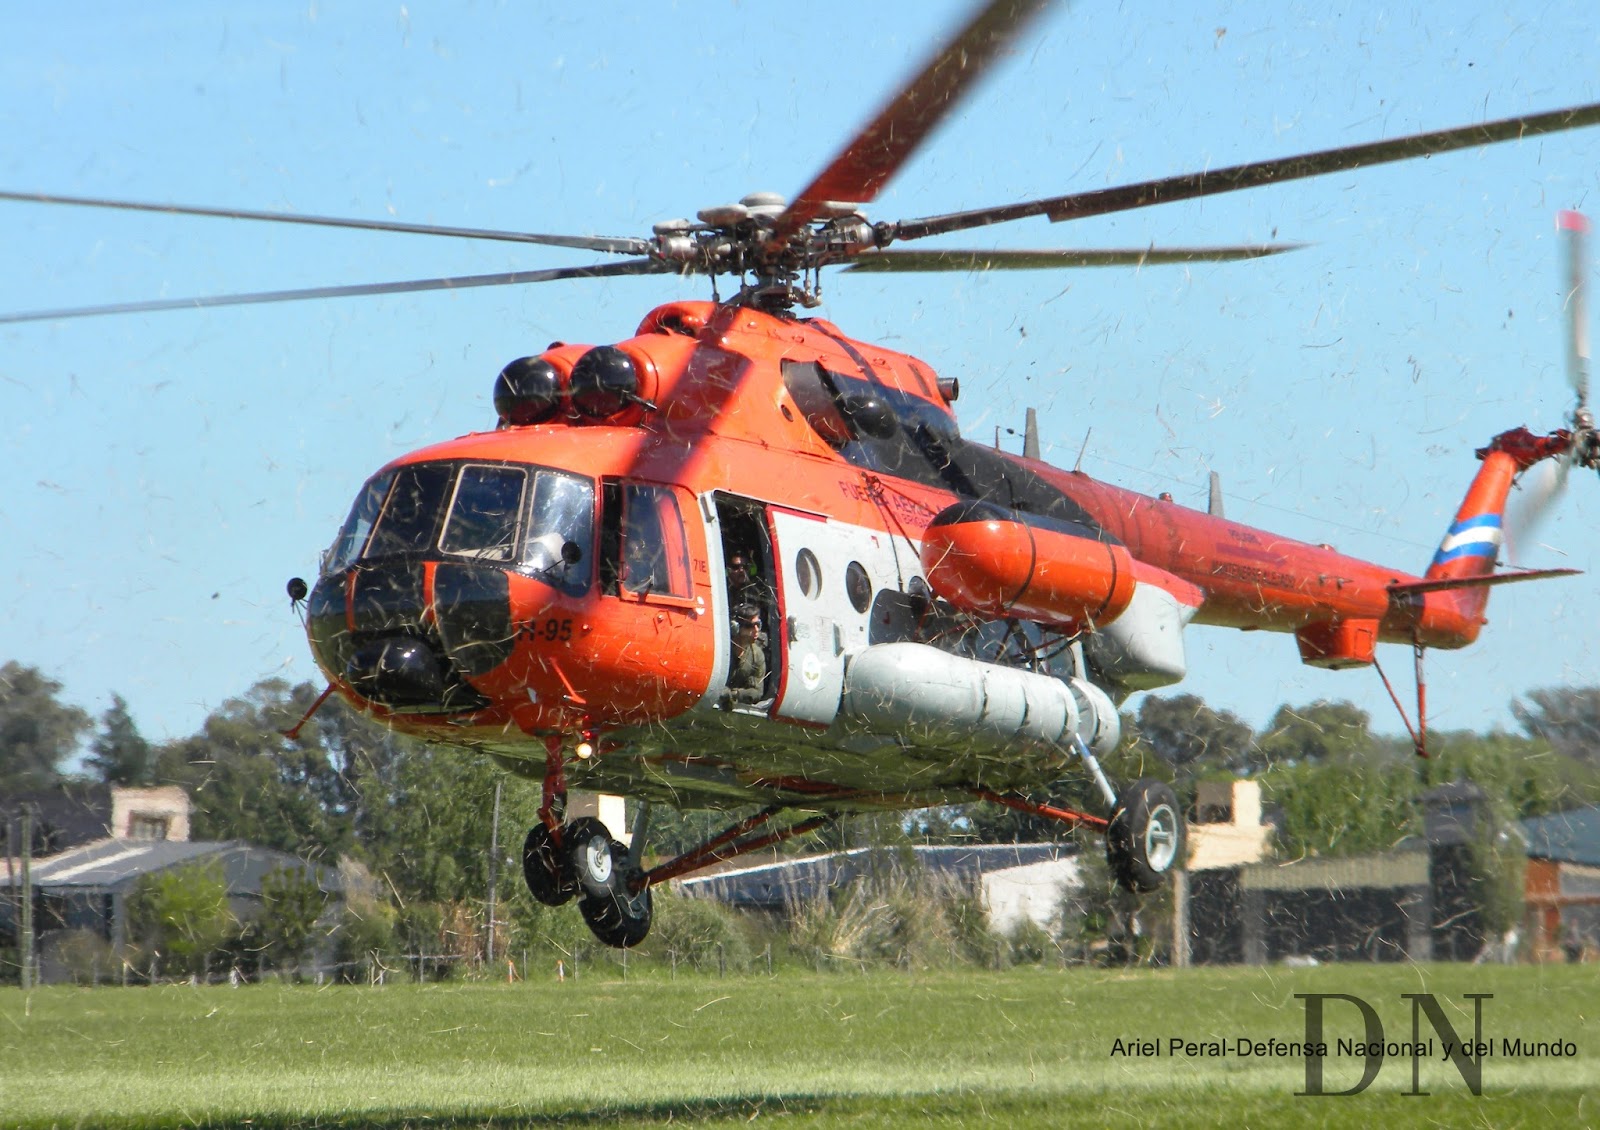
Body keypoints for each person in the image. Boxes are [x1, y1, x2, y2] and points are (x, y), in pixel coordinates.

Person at [722, 601, 767, 706]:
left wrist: (735, 694)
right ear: (735, 627)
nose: (756, 630)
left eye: (758, 624)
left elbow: (757, 692)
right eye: (750, 626)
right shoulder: (724, 649)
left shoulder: (757, 655)